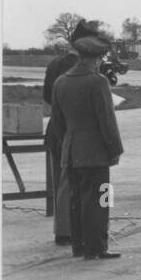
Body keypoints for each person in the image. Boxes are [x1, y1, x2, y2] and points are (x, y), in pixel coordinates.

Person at [48, 30, 125, 259]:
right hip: (96, 152)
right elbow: (107, 121)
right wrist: (115, 149)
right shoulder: (98, 82)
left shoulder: (61, 82)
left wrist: (67, 146)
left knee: (76, 200)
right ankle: (97, 247)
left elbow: (58, 122)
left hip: (71, 151)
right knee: (101, 199)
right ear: (97, 58)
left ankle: (78, 245)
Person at [42, 20, 90, 246]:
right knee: (71, 183)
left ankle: (64, 229)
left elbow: (46, 96)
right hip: (75, 131)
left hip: (55, 128)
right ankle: (67, 231)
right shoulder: (80, 68)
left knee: (60, 180)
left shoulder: (54, 64)